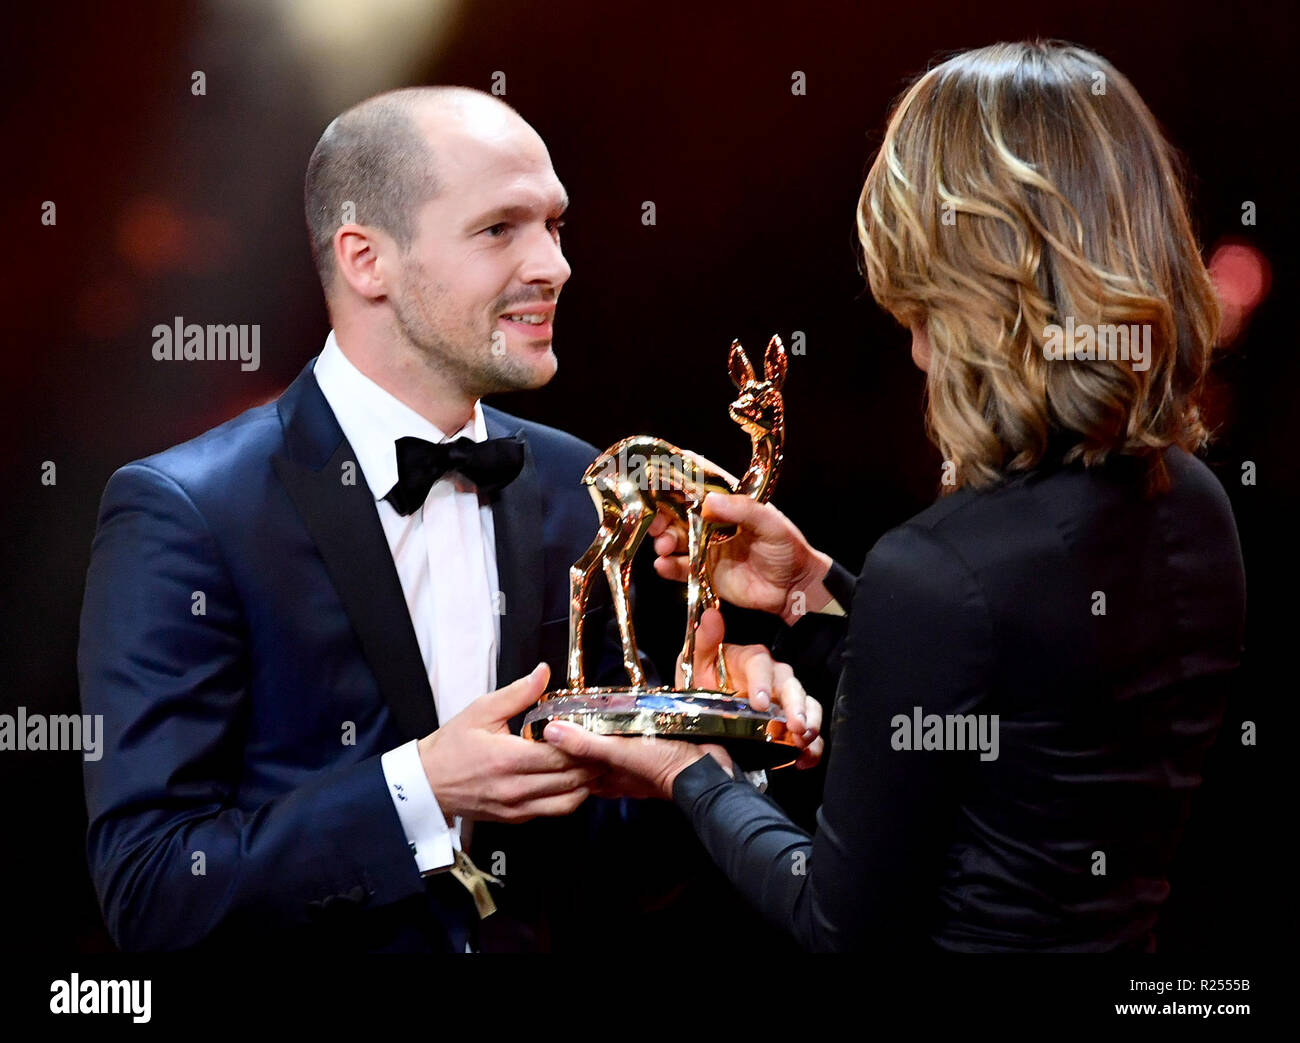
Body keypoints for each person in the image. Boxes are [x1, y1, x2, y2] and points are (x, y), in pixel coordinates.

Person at [77, 86, 818, 954]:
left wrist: (706, 754)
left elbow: (617, 876)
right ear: (365, 259)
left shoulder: (571, 477)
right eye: (501, 228)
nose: (554, 264)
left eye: (556, 225)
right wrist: (418, 790)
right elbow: (152, 889)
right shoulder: (188, 511)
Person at [543, 41, 1246, 952]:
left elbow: (838, 924)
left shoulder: (943, 567)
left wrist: (693, 772)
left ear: (956, 286)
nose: (910, 343)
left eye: (913, 300)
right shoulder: (1194, 503)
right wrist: (812, 585)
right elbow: (998, 715)